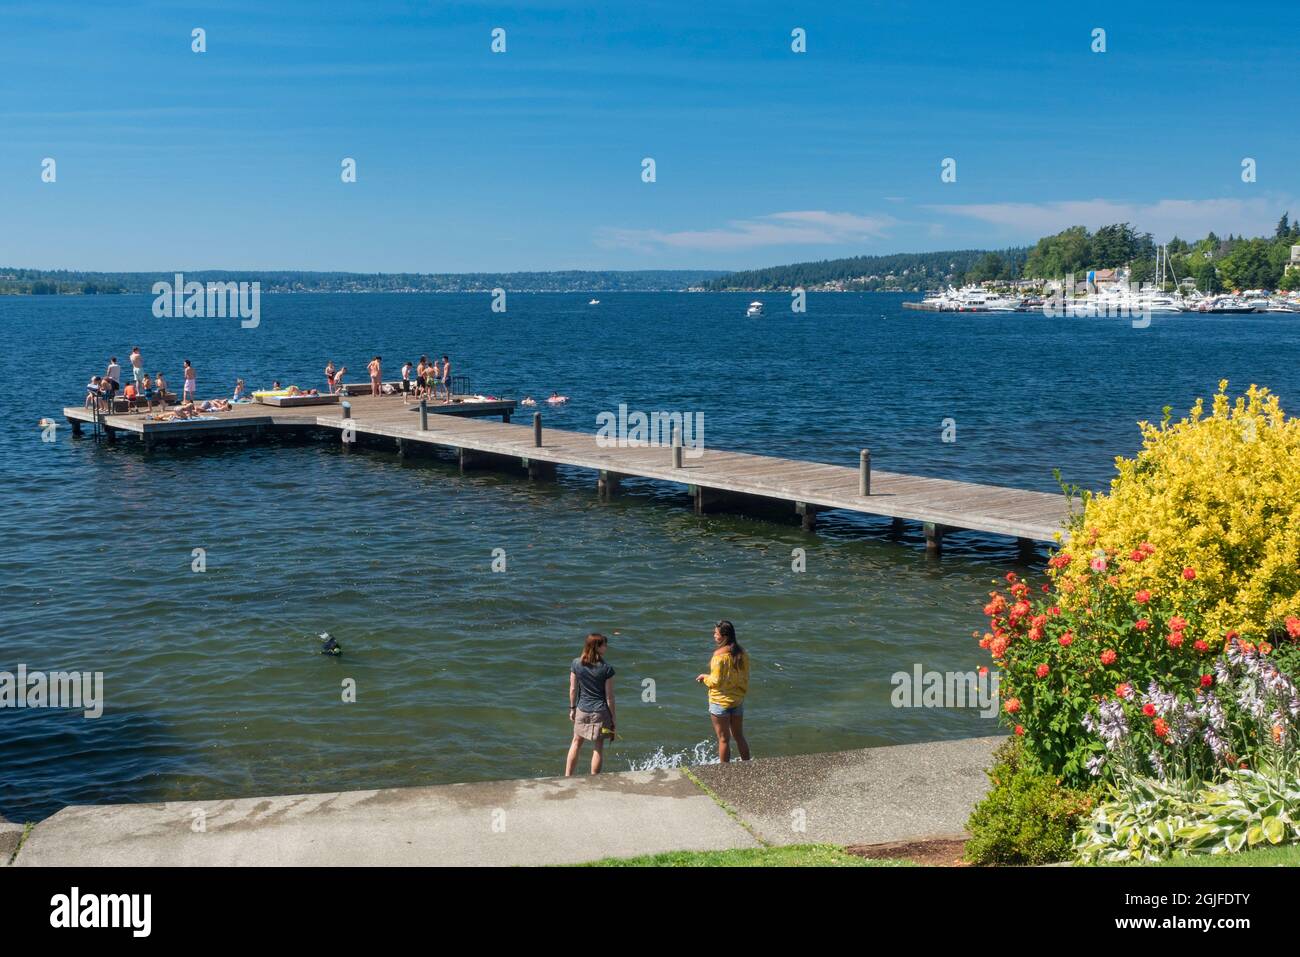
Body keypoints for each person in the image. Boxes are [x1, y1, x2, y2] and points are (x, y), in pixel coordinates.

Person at [695, 620, 750, 762]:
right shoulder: (742, 653)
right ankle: (748, 765)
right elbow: (744, 677)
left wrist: (704, 677)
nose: (714, 635)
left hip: (719, 703)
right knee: (739, 736)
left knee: (724, 739)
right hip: (737, 701)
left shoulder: (718, 656)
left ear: (724, 636)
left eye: (716, 633)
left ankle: (724, 773)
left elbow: (716, 681)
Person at [566, 633, 616, 776]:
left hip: (582, 709)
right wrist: (613, 719)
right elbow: (609, 697)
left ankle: (567, 776)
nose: (606, 647)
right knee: (598, 746)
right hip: (600, 711)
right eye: (604, 645)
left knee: (576, 742)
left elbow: (573, 689)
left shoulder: (576, 663)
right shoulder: (606, 669)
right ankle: (594, 780)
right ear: (597, 647)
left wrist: (572, 708)